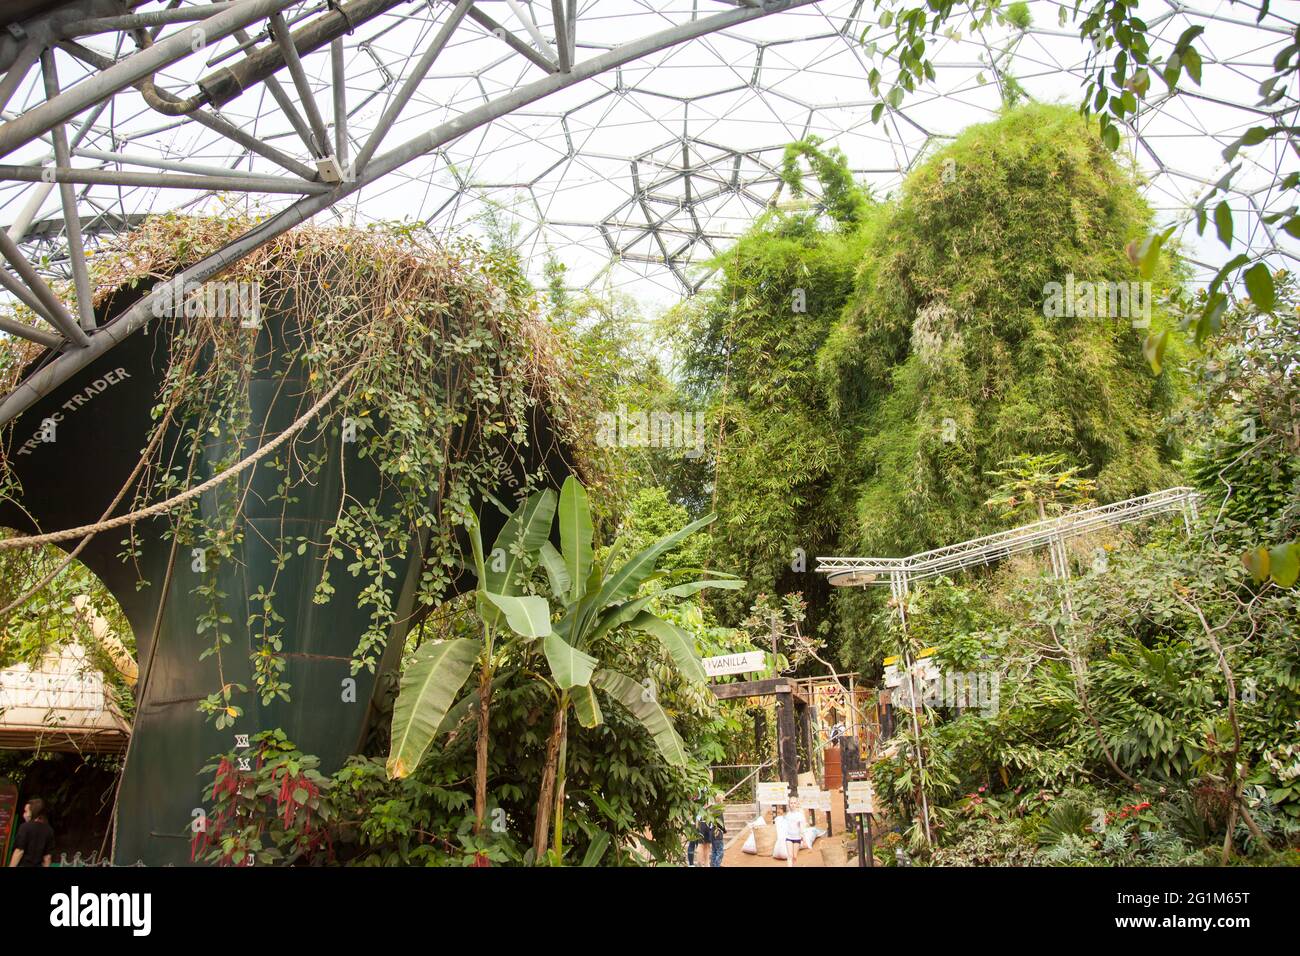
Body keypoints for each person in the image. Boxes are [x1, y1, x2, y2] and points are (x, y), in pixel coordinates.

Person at [686, 786, 726, 867]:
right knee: (701, 844)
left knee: (706, 844)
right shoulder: (701, 792)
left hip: (705, 821)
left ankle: (707, 864)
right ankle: (701, 864)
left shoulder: (705, 791)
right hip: (701, 820)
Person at [9, 798, 54, 868]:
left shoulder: (24, 827)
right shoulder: (49, 830)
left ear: (33, 812)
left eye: (26, 811)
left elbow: (19, 851)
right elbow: (47, 857)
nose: (24, 814)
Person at [783, 799, 805, 867]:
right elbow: (784, 825)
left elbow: (802, 827)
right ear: (789, 804)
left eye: (794, 803)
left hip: (797, 838)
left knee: (794, 857)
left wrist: (803, 838)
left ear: (796, 804)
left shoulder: (799, 815)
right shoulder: (787, 815)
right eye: (791, 803)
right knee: (790, 856)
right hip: (788, 837)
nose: (793, 804)